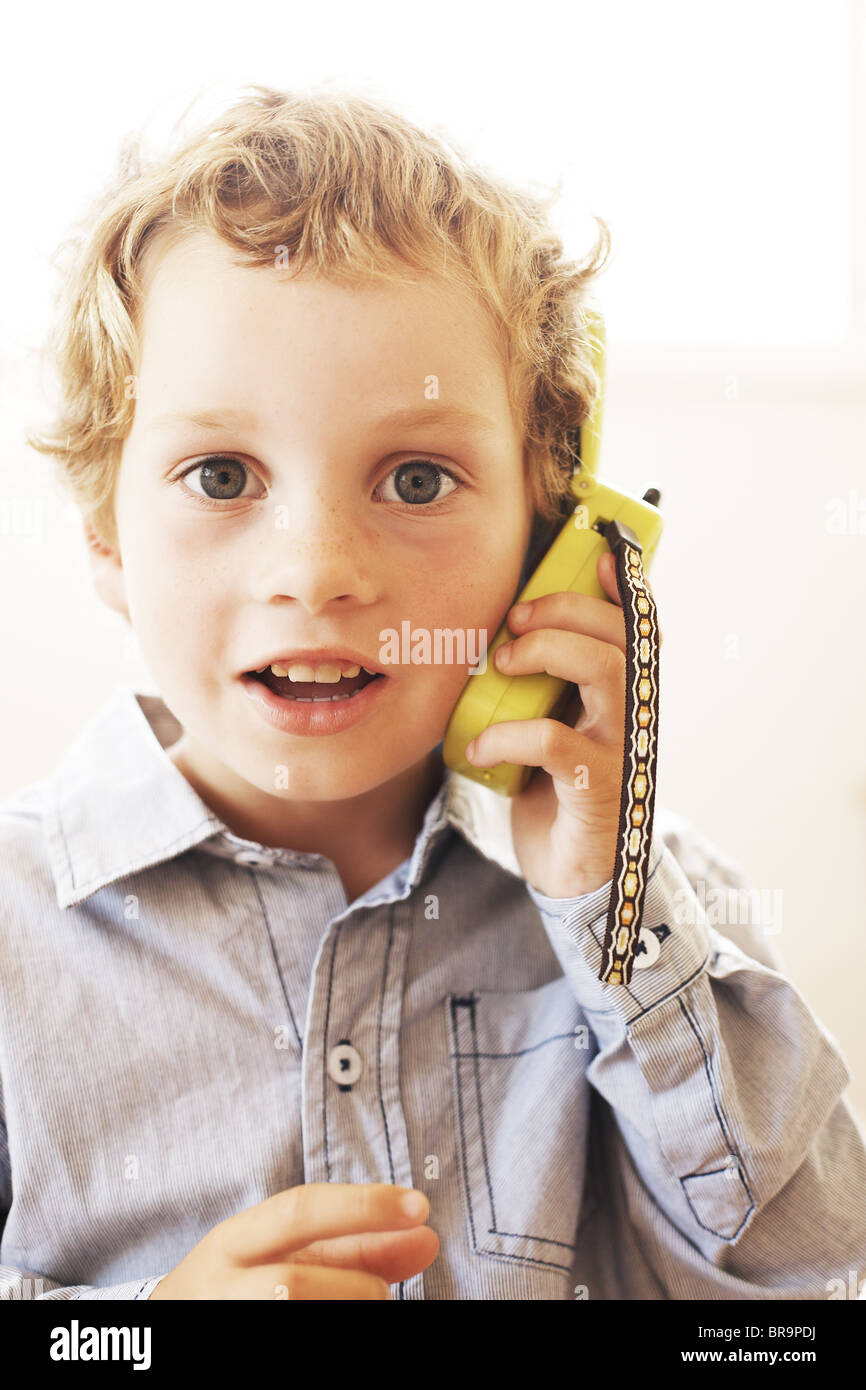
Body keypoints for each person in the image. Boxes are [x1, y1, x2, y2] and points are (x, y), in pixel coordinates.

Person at [2, 85, 863, 1301]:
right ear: (105, 532)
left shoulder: (649, 911)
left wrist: (605, 921)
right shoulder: (16, 929)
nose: (315, 571)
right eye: (219, 473)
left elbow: (807, 1300)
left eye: (414, 479)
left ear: (547, 533)